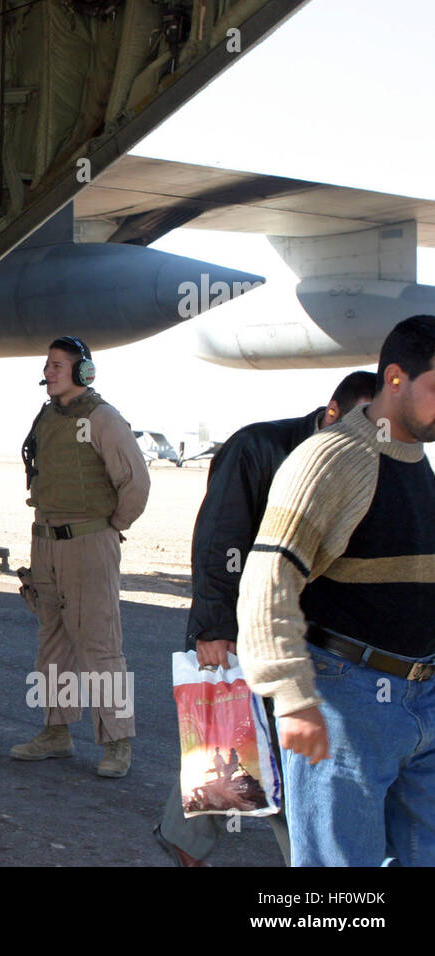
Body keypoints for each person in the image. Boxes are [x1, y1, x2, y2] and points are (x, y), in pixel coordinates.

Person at [153, 370, 376, 866]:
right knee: (252, 749)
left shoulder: (363, 463)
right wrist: (214, 630)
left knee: (237, 749)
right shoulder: (257, 447)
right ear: (333, 413)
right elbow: (218, 540)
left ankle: (184, 842)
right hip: (244, 635)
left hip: (313, 638)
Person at [238, 316, 435, 866]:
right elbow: (268, 580)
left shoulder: (416, 462)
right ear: (395, 378)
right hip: (345, 705)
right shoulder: (334, 459)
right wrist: (293, 696)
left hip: (422, 698)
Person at [10, 336, 150, 777]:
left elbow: (136, 485)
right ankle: (56, 732)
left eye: (57, 364)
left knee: (99, 645)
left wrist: (107, 528)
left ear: (82, 372)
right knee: (52, 641)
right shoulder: (48, 416)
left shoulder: (104, 418)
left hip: (89, 544)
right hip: (46, 542)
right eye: (47, 364)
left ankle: (117, 743)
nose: (48, 371)